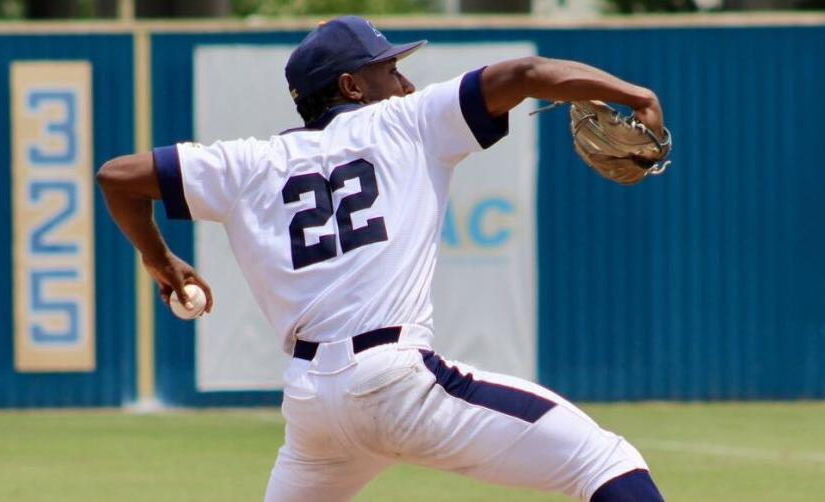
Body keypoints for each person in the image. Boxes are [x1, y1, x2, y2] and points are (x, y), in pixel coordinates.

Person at [96, 15, 666, 502]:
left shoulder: (249, 163)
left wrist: (161, 261)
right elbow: (523, 75)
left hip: (313, 411)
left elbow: (117, 178)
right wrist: (635, 96)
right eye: (388, 69)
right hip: (397, 383)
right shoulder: (409, 120)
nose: (405, 79)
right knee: (605, 463)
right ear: (352, 85)